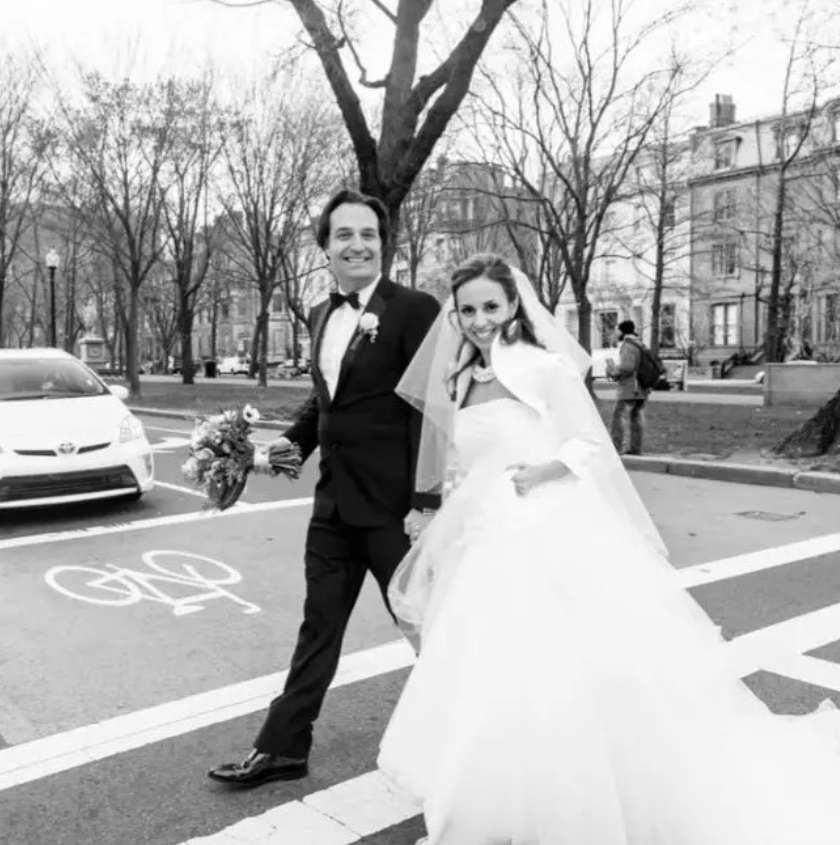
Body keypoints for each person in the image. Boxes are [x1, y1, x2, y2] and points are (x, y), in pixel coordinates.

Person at [377, 253, 840, 845]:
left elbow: (589, 445)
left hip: (547, 529)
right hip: (485, 539)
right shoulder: (460, 378)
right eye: (468, 310)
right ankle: (500, 797)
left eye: (491, 306)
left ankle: (583, 794)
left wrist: (542, 472)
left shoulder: (543, 367)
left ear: (513, 304)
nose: (480, 319)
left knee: (564, 667)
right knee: (492, 671)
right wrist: (450, 514)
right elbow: (462, 462)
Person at [208, 189, 440, 788]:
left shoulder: (415, 309)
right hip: (333, 505)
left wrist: (425, 502)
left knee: (429, 630)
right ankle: (282, 748)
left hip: (394, 510)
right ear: (325, 247)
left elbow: (431, 409)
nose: (357, 245)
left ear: (383, 244)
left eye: (368, 234)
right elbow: (325, 401)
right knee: (318, 629)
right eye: (344, 234)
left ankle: (476, 746)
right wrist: (277, 450)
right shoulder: (318, 313)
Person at [606, 318, 647, 455]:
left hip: (630, 388)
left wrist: (613, 370)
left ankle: (617, 447)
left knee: (618, 415)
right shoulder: (640, 343)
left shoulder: (628, 345)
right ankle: (636, 448)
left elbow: (627, 367)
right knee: (636, 416)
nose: (616, 333)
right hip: (642, 387)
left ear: (623, 331)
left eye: (617, 330)